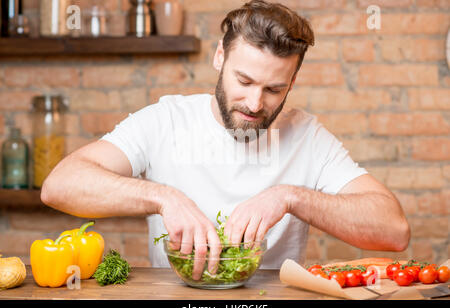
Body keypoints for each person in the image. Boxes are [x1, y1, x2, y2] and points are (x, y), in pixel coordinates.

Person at [41, 0, 410, 280]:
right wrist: (162, 197)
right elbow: (59, 185)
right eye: (245, 81)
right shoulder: (166, 120)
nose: (254, 103)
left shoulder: (308, 137)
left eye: (274, 89)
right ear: (220, 57)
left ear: (292, 83)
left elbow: (394, 231)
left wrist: (290, 197)